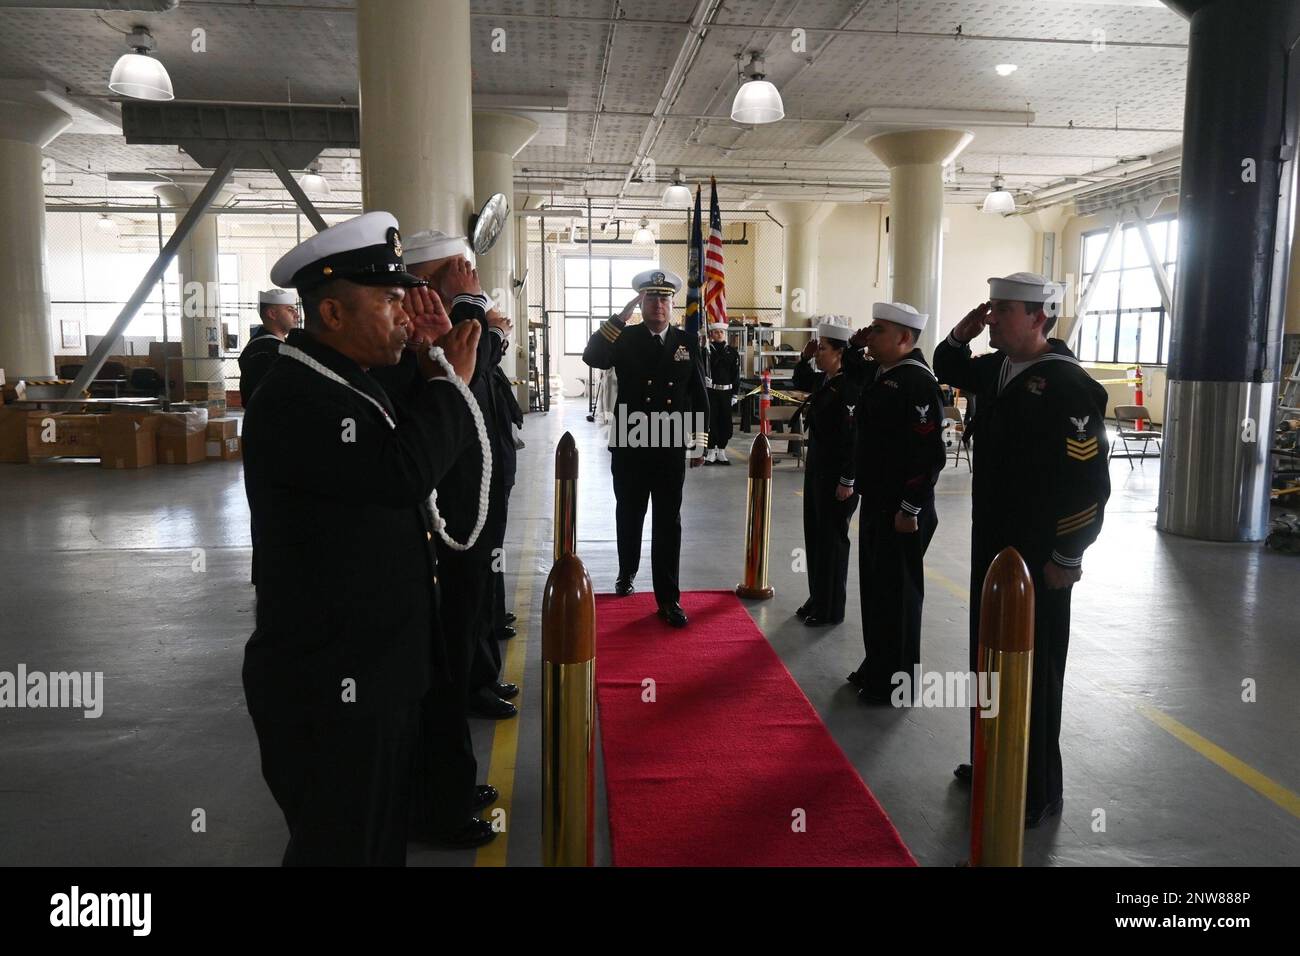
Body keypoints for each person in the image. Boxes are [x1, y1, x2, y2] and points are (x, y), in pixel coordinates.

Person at [241, 211, 482, 865]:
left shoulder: (343, 378)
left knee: (373, 844)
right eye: (389, 300)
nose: (405, 316)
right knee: (343, 849)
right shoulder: (297, 397)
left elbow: (407, 415)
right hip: (332, 682)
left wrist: (434, 357)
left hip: (371, 671)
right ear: (335, 314)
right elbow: (402, 469)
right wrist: (449, 382)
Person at [933, 271, 1111, 829]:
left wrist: (1068, 555)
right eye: (990, 309)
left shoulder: (1068, 385)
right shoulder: (998, 369)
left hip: (1039, 553)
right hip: (994, 543)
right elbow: (946, 365)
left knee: (1035, 667)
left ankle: (1037, 787)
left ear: (1039, 318)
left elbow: (1088, 484)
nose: (992, 318)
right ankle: (992, 757)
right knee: (986, 653)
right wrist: (962, 332)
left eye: (1003, 310)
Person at [582, 269, 709, 627]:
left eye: (665, 299)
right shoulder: (626, 336)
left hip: (669, 444)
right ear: (643, 303)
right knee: (630, 512)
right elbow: (593, 357)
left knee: (669, 521)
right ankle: (626, 572)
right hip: (631, 443)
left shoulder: (686, 341)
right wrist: (620, 317)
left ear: (672, 305)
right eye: (651, 298)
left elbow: (697, 394)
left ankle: (669, 598)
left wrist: (699, 441)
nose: (659, 305)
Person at [842, 302, 946, 703]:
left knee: (898, 597)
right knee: (876, 589)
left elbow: (927, 454)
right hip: (878, 500)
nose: (871, 335)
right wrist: (855, 345)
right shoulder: (884, 373)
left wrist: (911, 508)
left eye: (879, 330)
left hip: (903, 508)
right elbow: (852, 372)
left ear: (904, 338)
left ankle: (896, 684)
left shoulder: (917, 382)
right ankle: (878, 665)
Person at [790, 317, 859, 627]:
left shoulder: (850, 387)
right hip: (817, 467)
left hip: (837, 475)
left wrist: (848, 479)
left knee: (832, 541)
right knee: (816, 536)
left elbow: (854, 439)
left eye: (824, 349)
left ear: (841, 353)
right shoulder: (825, 380)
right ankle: (817, 597)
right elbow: (800, 381)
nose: (818, 353)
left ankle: (831, 607)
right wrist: (804, 357)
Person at [238, 289, 298, 407]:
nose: (297, 315)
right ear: (272, 314)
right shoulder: (263, 351)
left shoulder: (274, 347)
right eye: (290, 310)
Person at [703, 321, 741, 464]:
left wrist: (734, 393)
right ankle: (711, 451)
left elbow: (735, 375)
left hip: (726, 393)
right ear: (711, 334)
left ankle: (722, 451)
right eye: (716, 332)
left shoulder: (732, 352)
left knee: (725, 421)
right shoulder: (706, 351)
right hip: (711, 392)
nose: (719, 334)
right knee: (711, 421)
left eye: (721, 332)